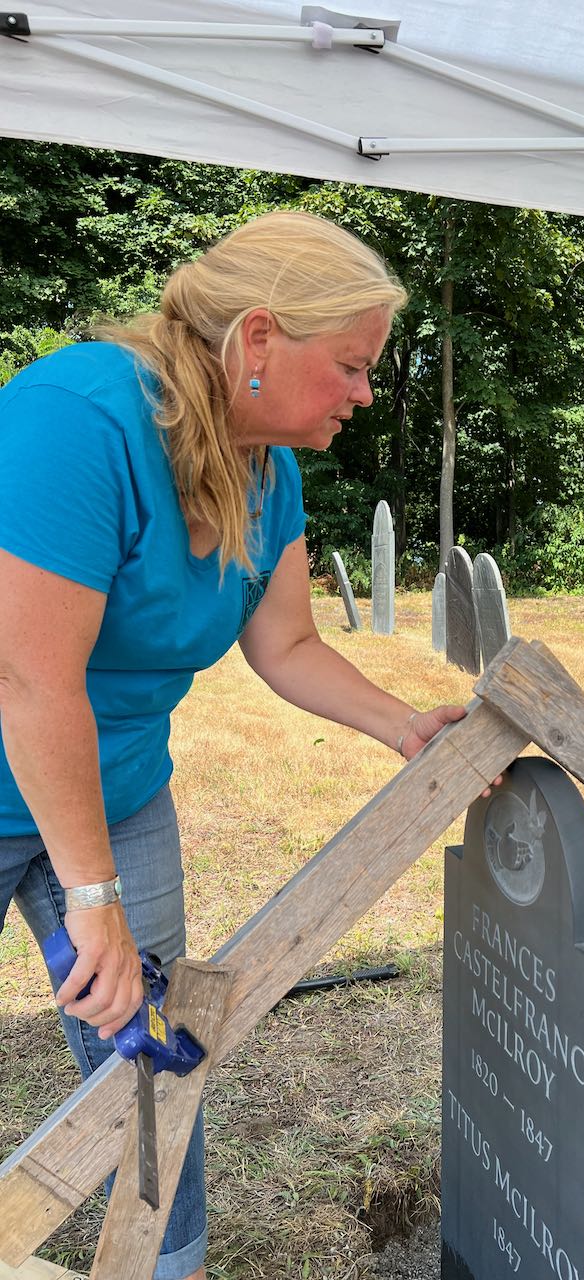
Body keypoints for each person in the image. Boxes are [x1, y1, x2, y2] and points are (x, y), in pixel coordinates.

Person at [0, 210, 478, 1280]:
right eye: (351, 364)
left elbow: (288, 641)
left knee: (157, 1050)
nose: (365, 392)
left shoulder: (265, 467)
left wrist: (401, 723)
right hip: (18, 753)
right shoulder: (77, 419)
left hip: (116, 785)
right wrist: (91, 898)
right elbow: (30, 680)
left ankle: (168, 1264)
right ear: (258, 337)